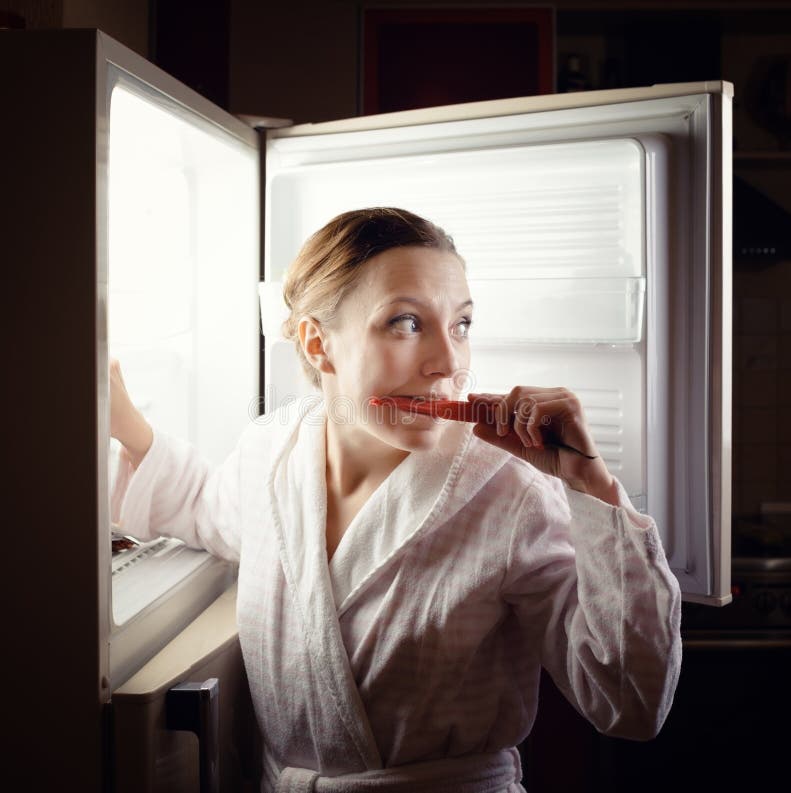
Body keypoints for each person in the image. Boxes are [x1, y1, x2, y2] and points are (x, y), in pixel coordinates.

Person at [110, 207, 681, 793]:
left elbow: (628, 701)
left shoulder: (510, 488)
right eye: (406, 323)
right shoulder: (269, 453)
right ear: (317, 343)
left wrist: (592, 488)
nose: (449, 363)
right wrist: (120, 417)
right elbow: (206, 506)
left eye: (460, 324)